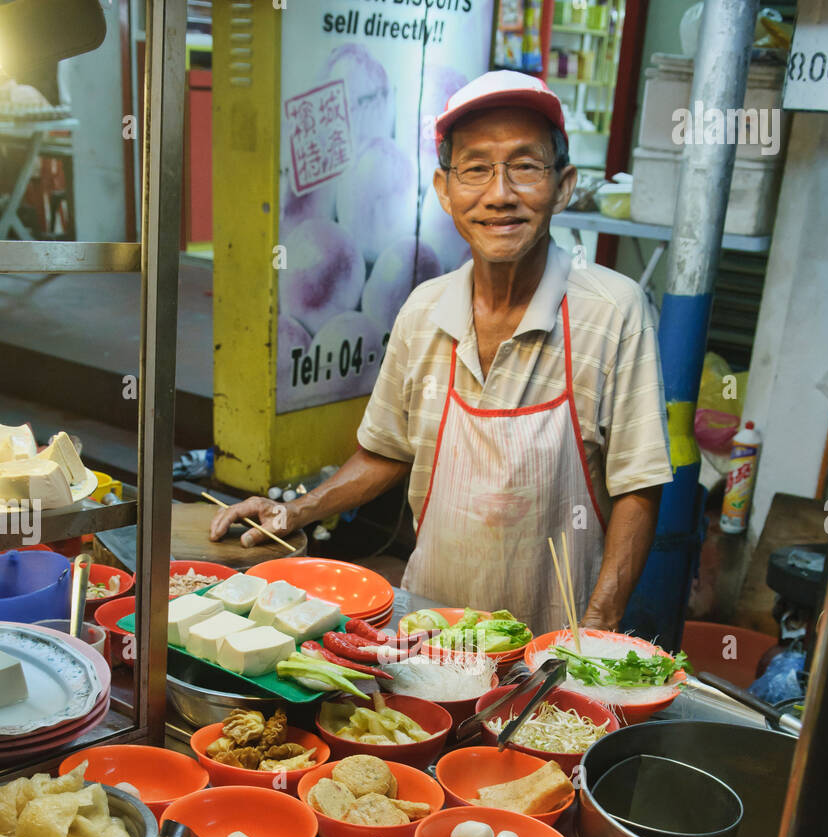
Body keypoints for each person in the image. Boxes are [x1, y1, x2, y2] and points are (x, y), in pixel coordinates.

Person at [210, 71, 673, 633]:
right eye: (476, 169)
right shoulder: (423, 309)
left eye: (525, 166)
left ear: (564, 184)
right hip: (427, 631)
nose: (499, 194)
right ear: (444, 190)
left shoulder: (615, 310)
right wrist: (292, 510)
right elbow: (386, 451)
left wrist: (595, 631)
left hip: (554, 642)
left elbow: (637, 487)